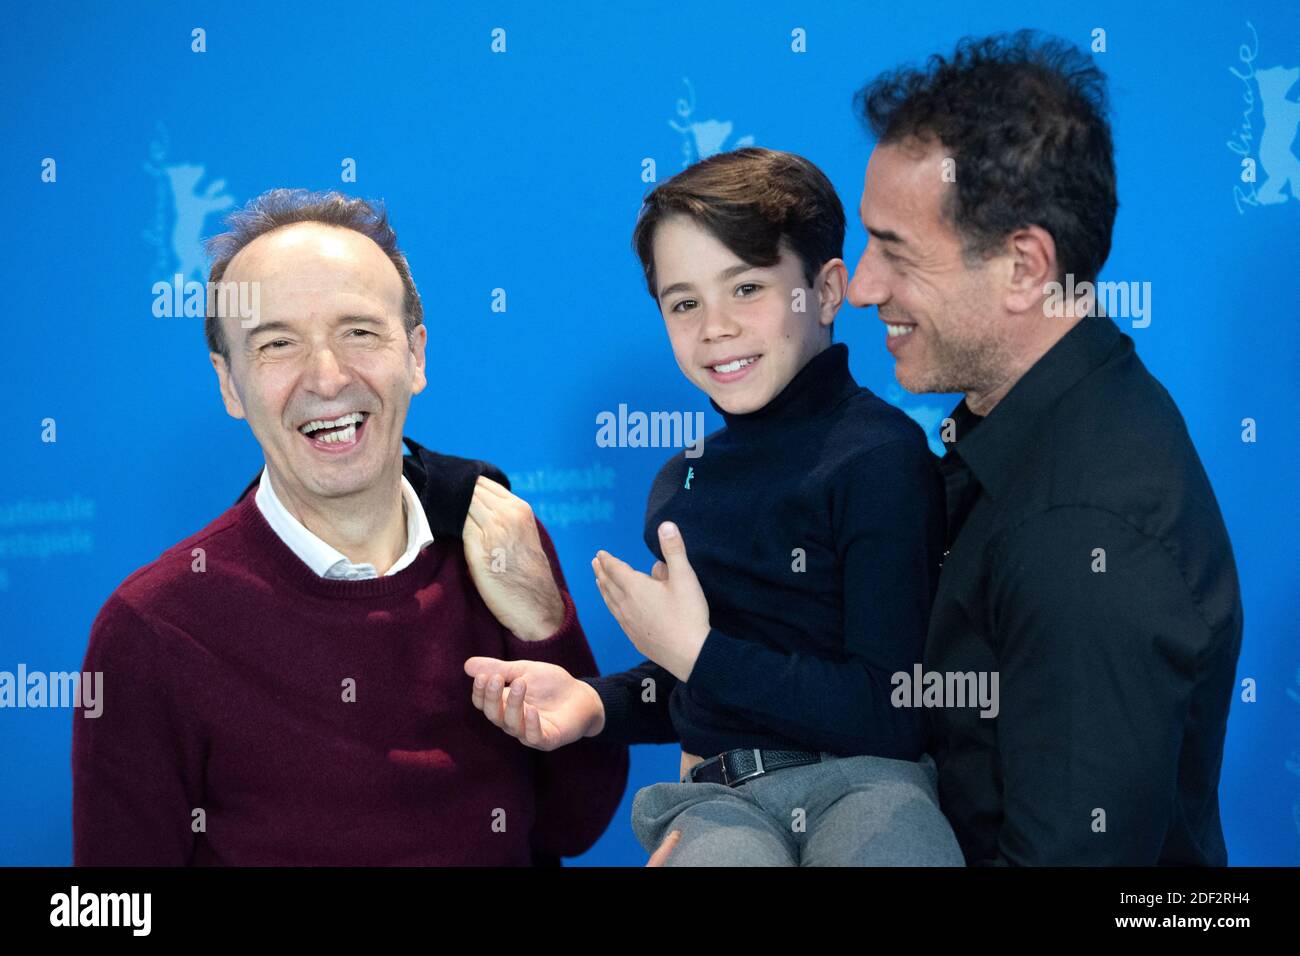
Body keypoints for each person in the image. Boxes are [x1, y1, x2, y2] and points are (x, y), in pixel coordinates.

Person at [72, 189, 627, 865]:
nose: (327, 378)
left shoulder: (503, 540)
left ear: (416, 356)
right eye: (277, 344)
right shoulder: (153, 626)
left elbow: (575, 826)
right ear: (228, 384)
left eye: (358, 332)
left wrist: (545, 627)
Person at [466, 148, 965, 866]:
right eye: (684, 302)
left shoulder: (880, 459)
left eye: (747, 289)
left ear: (826, 291)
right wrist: (595, 703)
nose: (715, 327)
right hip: (715, 802)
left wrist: (699, 655)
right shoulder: (683, 483)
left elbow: (888, 709)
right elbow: (692, 678)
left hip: (869, 786)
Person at [846, 30, 1244, 864]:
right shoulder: (1034, 430)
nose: (860, 286)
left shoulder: (1079, 532)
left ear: (1025, 267)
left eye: (895, 251)